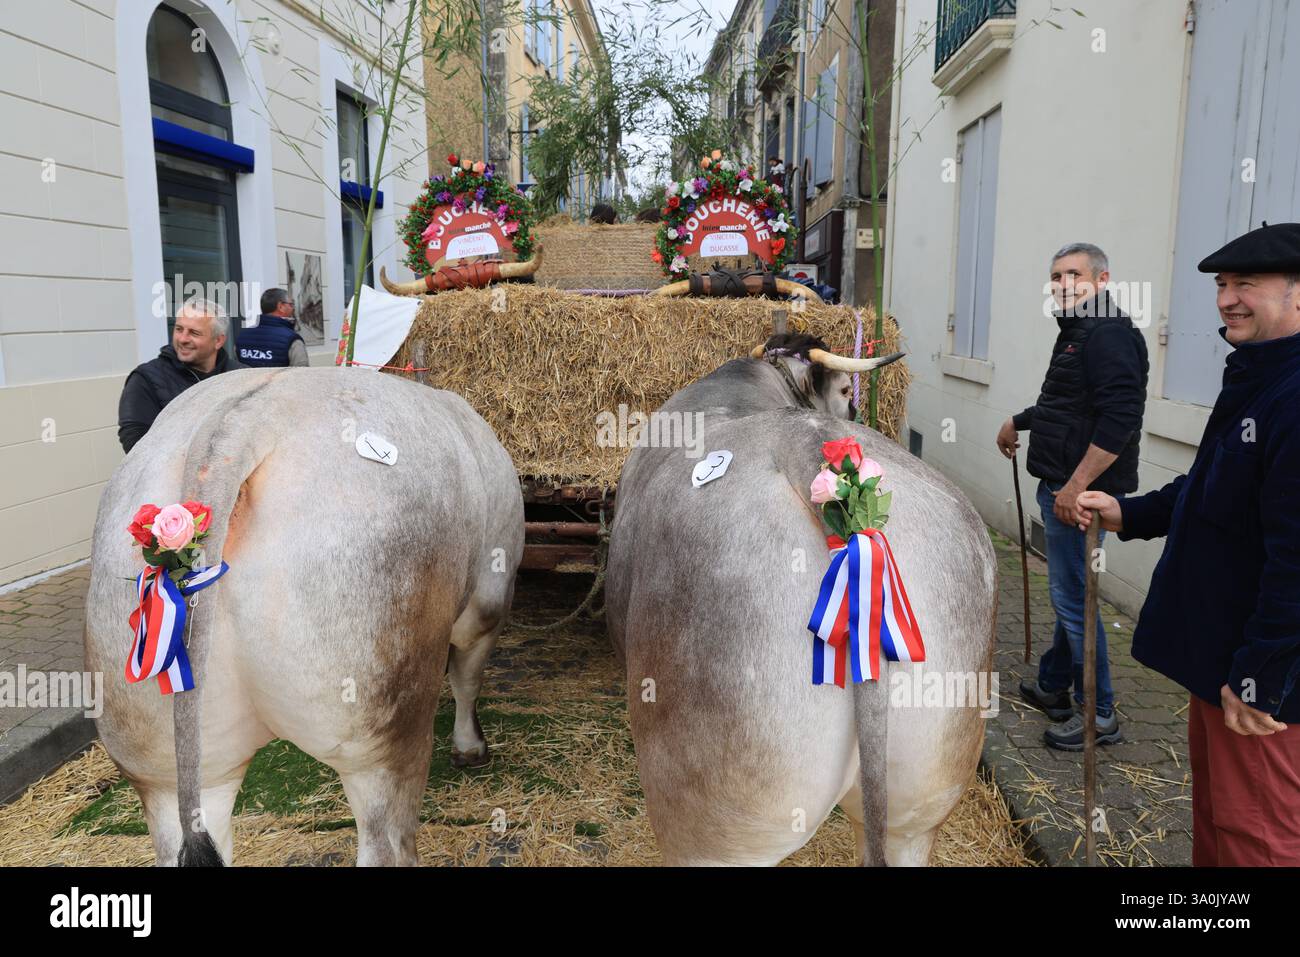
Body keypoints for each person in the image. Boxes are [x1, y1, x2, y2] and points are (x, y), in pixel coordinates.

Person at [1076, 222, 1300, 866]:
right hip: (1224, 661)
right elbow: (1211, 484)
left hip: (1263, 681)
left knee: (1260, 837)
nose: (1227, 297)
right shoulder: (1258, 376)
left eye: (1247, 284)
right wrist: (1129, 512)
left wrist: (1261, 676)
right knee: (1222, 822)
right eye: (1222, 284)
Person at [996, 242, 1149, 750]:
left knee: (1074, 600)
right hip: (1061, 484)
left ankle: (1098, 714)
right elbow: (1063, 406)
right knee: (1070, 593)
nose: (1063, 284)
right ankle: (1053, 685)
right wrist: (1017, 421)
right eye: (1057, 276)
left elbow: (1119, 421)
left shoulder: (1108, 335)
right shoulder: (1079, 333)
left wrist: (1076, 487)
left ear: (1101, 281)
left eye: (1075, 275)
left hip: (1077, 494)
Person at [117, 298, 247, 453]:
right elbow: (134, 441)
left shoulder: (242, 376)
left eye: (194, 333)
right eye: (179, 329)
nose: (183, 339)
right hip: (171, 476)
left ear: (218, 341)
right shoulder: (146, 378)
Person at [238, 288, 307, 368]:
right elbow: (302, 375)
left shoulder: (242, 337)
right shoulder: (292, 340)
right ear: (280, 306)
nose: (293, 308)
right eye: (291, 304)